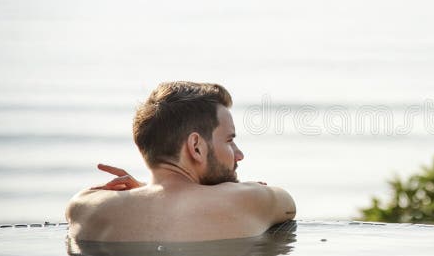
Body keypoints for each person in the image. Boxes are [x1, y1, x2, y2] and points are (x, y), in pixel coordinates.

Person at [66, 81, 296, 242]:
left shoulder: (87, 207)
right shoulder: (249, 199)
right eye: (229, 140)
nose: (239, 154)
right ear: (196, 146)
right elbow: (288, 205)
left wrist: (145, 191)